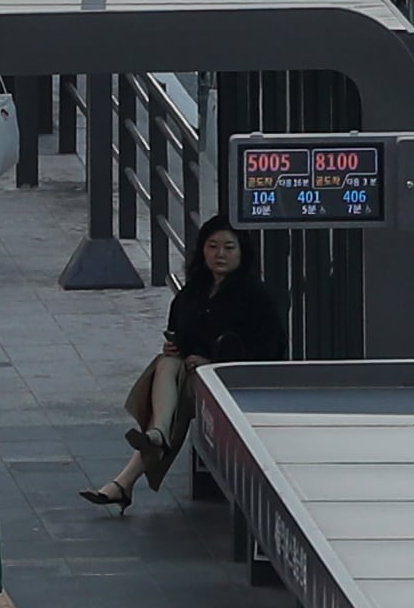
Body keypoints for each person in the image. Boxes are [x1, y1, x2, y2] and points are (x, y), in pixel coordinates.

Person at [82, 216, 282, 509]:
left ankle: (144, 453)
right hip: (191, 376)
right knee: (168, 361)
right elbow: (179, 328)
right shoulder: (195, 290)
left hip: (229, 382)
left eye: (229, 247)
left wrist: (212, 361)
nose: (220, 254)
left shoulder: (255, 297)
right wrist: (178, 346)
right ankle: (151, 443)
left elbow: (268, 350)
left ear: (242, 252)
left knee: (169, 386)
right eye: (212, 246)